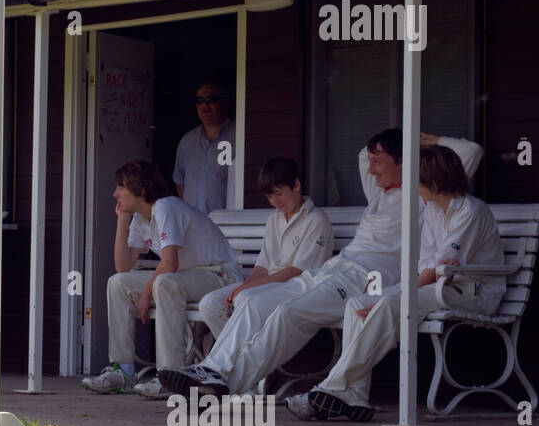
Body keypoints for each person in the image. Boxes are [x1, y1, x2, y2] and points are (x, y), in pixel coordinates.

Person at [158, 131, 484, 398]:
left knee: (288, 312)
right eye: (371, 162)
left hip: (366, 279)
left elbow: (470, 153)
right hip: (333, 269)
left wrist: (420, 140)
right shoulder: (380, 191)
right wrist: (389, 149)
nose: (369, 169)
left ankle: (229, 383)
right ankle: (213, 369)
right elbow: (361, 155)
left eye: (378, 162)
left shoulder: (421, 196)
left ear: (404, 161)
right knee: (254, 301)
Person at [287, 144, 504, 422]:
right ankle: (354, 394)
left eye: (417, 181)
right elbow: (427, 266)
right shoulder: (433, 211)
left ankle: (330, 387)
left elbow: (440, 269)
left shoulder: (471, 212)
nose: (412, 187)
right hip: (438, 287)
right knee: (357, 304)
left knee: (387, 303)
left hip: (474, 292)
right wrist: (405, 286)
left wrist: (400, 290)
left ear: (434, 182)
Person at [81, 159, 241, 399]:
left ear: (141, 190)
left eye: (121, 187)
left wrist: (146, 293)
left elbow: (170, 263)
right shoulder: (139, 218)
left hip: (218, 275)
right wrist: (122, 221)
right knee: (118, 282)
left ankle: (169, 374)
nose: (115, 193)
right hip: (186, 276)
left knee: (164, 283)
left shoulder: (166, 206)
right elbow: (123, 266)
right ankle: (123, 371)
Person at [196, 157, 334, 341]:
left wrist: (248, 289)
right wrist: (243, 286)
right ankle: (239, 359)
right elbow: (263, 265)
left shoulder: (316, 220)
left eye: (278, 194)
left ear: (296, 185)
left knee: (246, 299)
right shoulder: (274, 220)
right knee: (210, 303)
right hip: (267, 285)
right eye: (269, 197)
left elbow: (297, 271)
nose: (275, 201)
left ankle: (237, 362)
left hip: (296, 288)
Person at [173, 80, 236, 214]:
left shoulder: (239, 137)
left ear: (225, 102)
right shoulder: (187, 141)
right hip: (194, 224)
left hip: (227, 224)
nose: (205, 106)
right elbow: (179, 181)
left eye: (211, 99)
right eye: (199, 100)